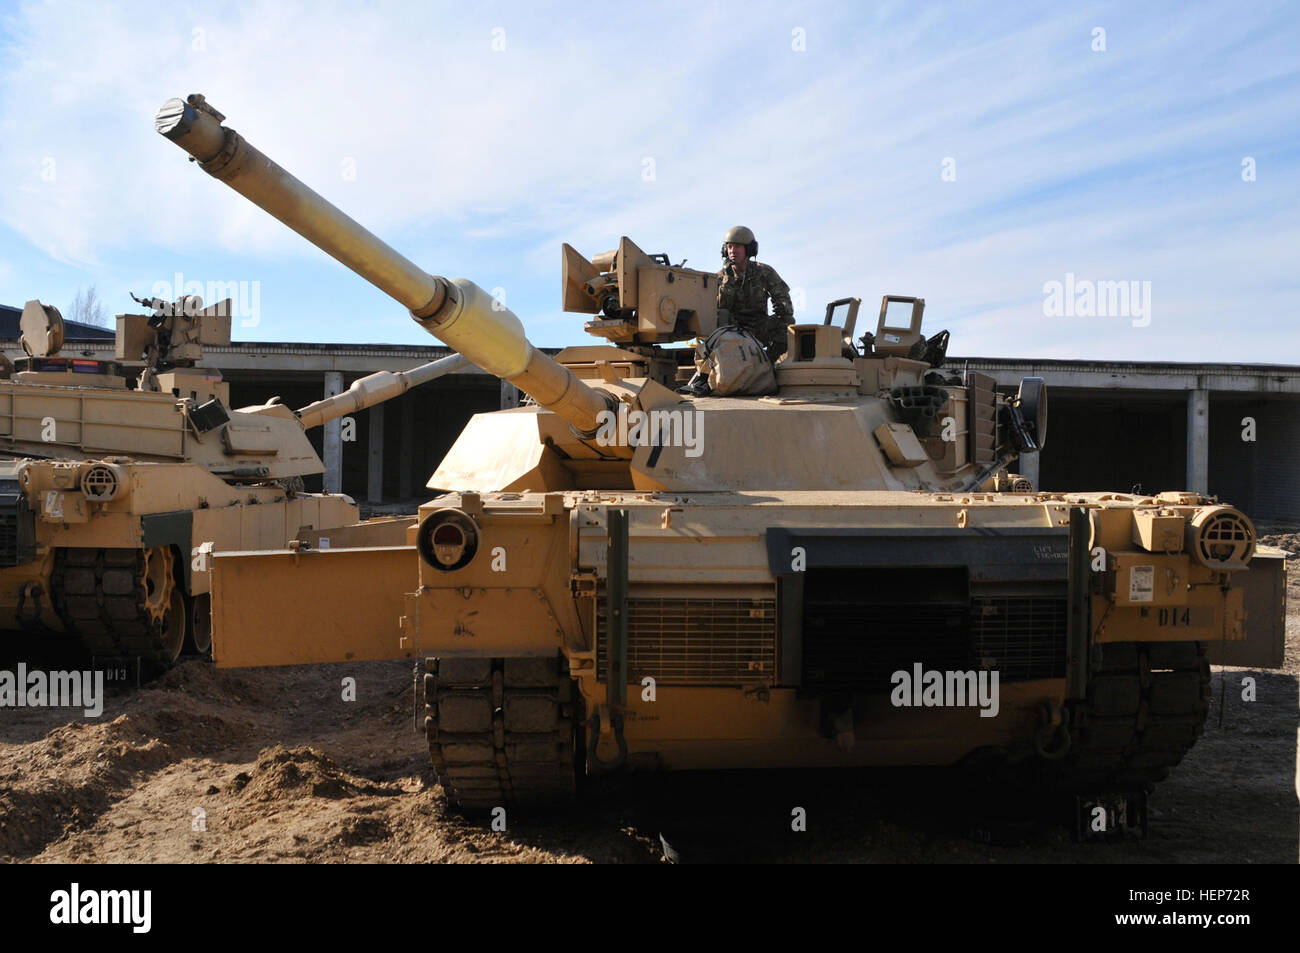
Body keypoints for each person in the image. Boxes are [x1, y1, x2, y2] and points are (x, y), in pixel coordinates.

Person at [716, 226, 794, 361]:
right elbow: (722, 306)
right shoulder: (721, 277)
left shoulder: (764, 271)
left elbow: (784, 300)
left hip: (760, 326)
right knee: (721, 316)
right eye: (730, 247)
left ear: (749, 249)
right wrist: (728, 279)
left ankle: (767, 362)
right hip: (734, 329)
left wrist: (782, 306)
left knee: (788, 322)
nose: (732, 251)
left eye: (737, 246)